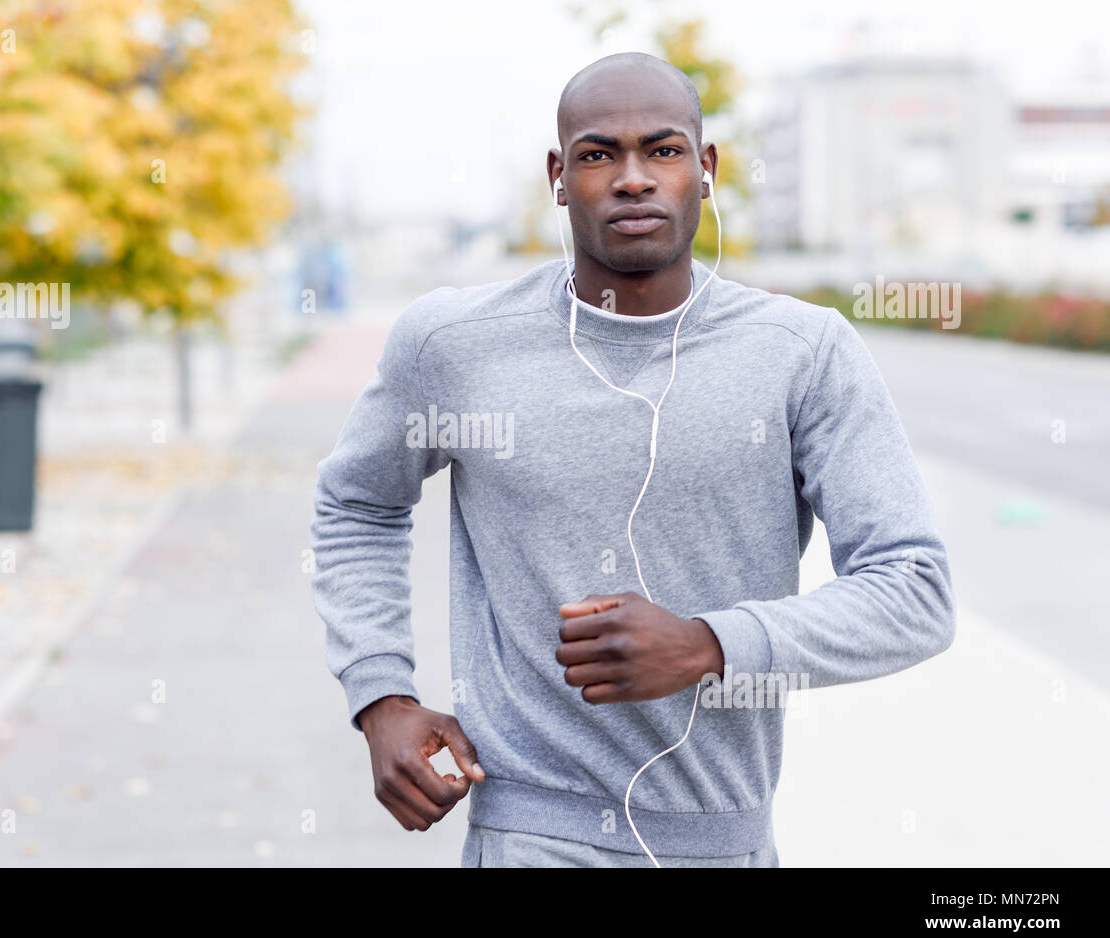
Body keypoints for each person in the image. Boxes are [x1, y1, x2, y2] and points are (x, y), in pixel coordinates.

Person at [308, 51, 956, 867]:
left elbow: (915, 592)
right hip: (530, 834)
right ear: (557, 175)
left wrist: (709, 644)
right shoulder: (455, 345)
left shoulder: (803, 351)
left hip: (725, 840)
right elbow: (358, 502)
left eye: (663, 149)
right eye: (597, 154)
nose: (633, 177)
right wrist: (381, 693)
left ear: (707, 168)